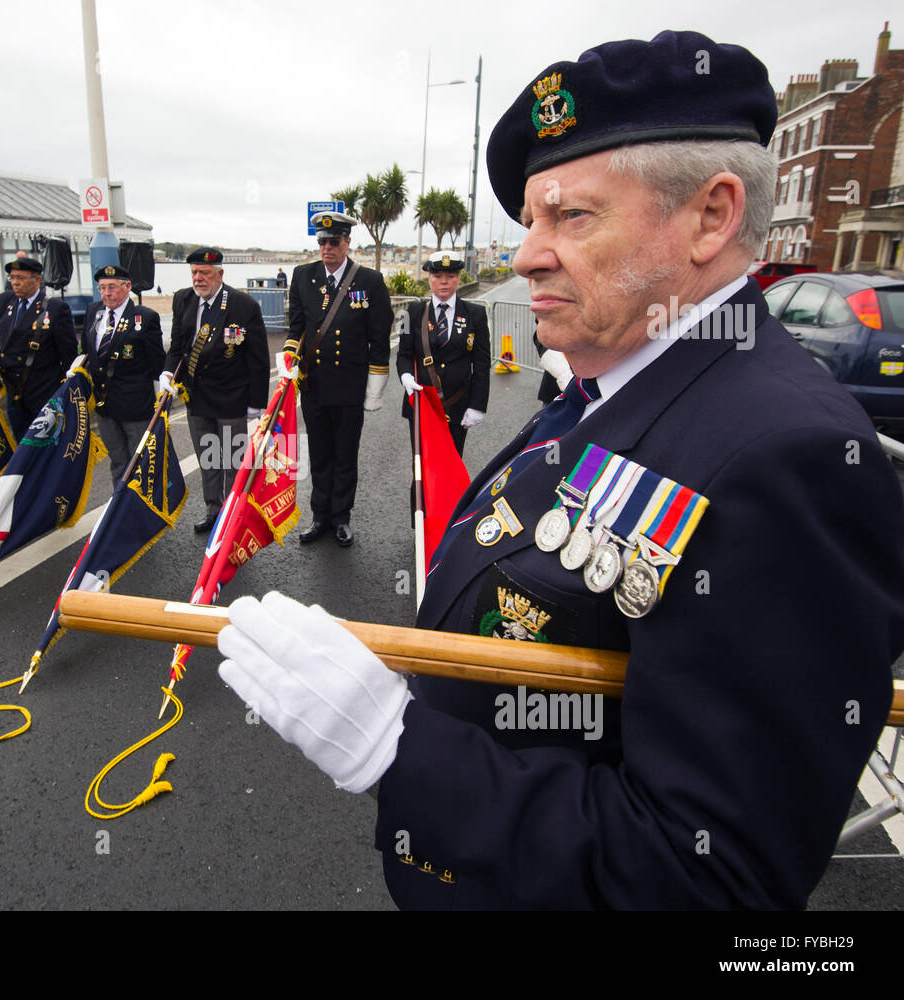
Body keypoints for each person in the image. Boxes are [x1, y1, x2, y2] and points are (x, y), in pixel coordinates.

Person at [215, 30, 904, 909]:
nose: (531, 252)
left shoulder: (789, 457)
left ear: (711, 216)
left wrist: (400, 748)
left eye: (571, 216)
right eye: (531, 220)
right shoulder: (613, 378)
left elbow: (712, 880)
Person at [284, 211, 393, 547]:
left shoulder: (370, 281)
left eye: (334, 242)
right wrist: (288, 363)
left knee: (345, 454)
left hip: (349, 385)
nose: (327, 248)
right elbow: (296, 328)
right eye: (322, 242)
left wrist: (375, 386)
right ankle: (320, 517)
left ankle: (341, 517)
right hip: (314, 384)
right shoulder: (303, 275)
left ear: (348, 243)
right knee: (319, 453)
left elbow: (379, 335)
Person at [162, 248, 270, 533]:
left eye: (205, 273)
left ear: (220, 274)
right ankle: (213, 509)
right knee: (208, 459)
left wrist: (256, 402)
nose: (198, 278)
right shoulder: (183, 300)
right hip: (197, 397)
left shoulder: (242, 305)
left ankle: (234, 514)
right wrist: (166, 372)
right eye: (194, 273)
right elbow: (178, 346)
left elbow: (257, 357)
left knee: (232, 460)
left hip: (232, 396)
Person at [396, 252, 489, 456]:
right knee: (421, 470)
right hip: (423, 404)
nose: (444, 282)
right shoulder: (411, 312)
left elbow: (481, 364)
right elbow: (403, 354)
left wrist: (477, 405)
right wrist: (405, 376)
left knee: (451, 467)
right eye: (437, 276)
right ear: (429, 278)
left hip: (458, 403)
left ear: (459, 278)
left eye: (451, 276)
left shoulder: (476, 314)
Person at [81, 263, 165, 483]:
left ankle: (144, 512)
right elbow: (87, 351)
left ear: (127, 286)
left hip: (135, 406)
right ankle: (120, 509)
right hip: (105, 405)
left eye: (112, 287)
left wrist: (165, 384)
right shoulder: (94, 312)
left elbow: (157, 362)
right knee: (118, 461)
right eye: (102, 288)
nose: (106, 293)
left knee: (141, 463)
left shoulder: (145, 317)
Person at [0, 256, 77, 434]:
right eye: (12, 278)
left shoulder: (54, 309)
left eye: (21, 278)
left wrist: (65, 390)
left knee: (44, 443)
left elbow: (68, 353)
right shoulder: (4, 303)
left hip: (43, 389)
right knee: (20, 438)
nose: (15, 283)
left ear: (37, 280)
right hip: (13, 387)